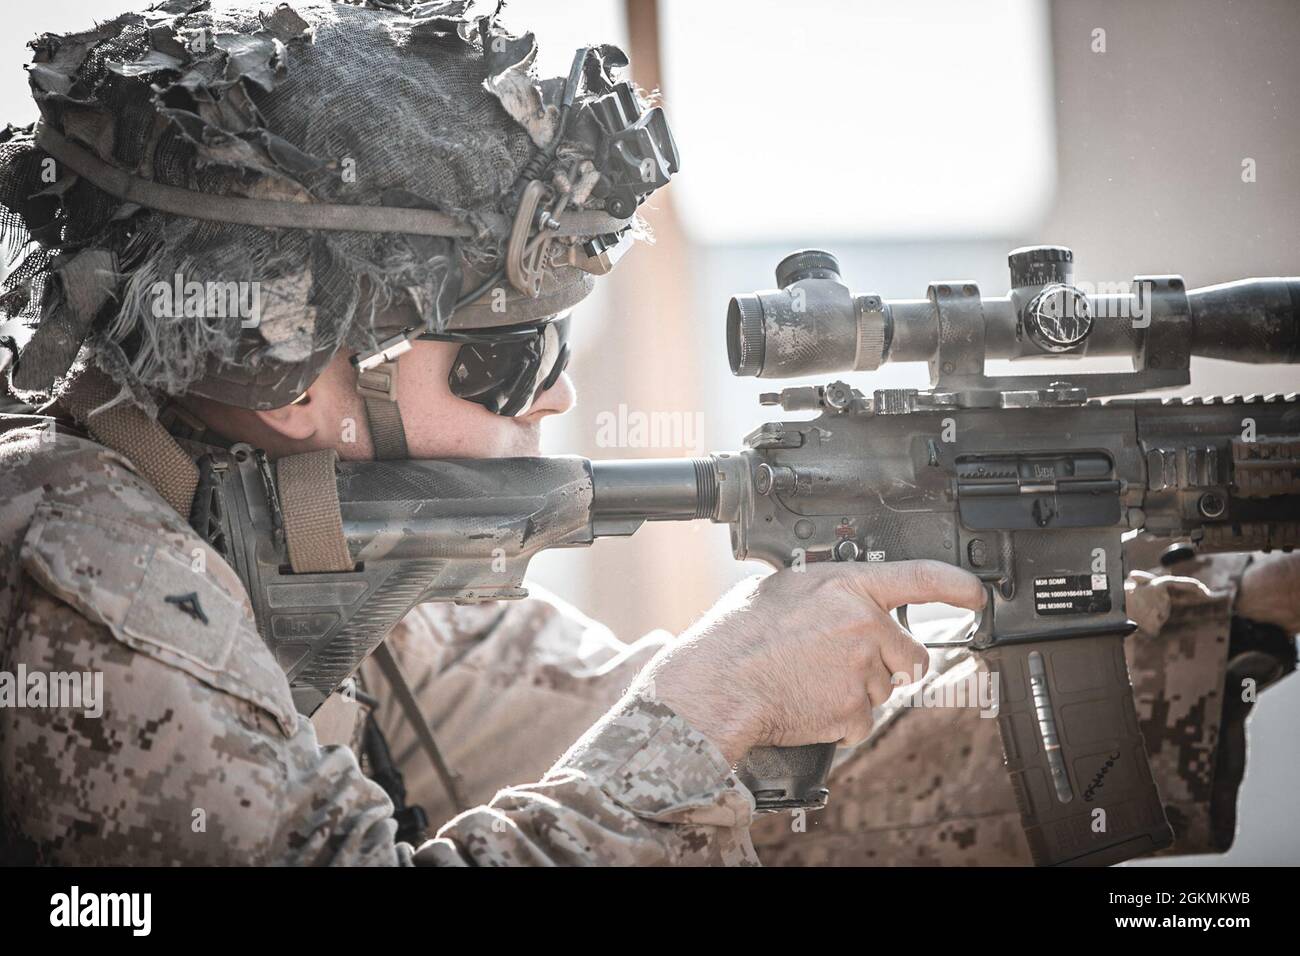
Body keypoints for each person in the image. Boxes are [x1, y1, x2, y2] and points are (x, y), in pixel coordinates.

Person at [0, 0, 985, 865]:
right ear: (291, 370)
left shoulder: (324, 542)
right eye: (511, 357)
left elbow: (752, 781)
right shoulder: (72, 564)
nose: (555, 397)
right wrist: (711, 697)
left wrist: (1108, 656)